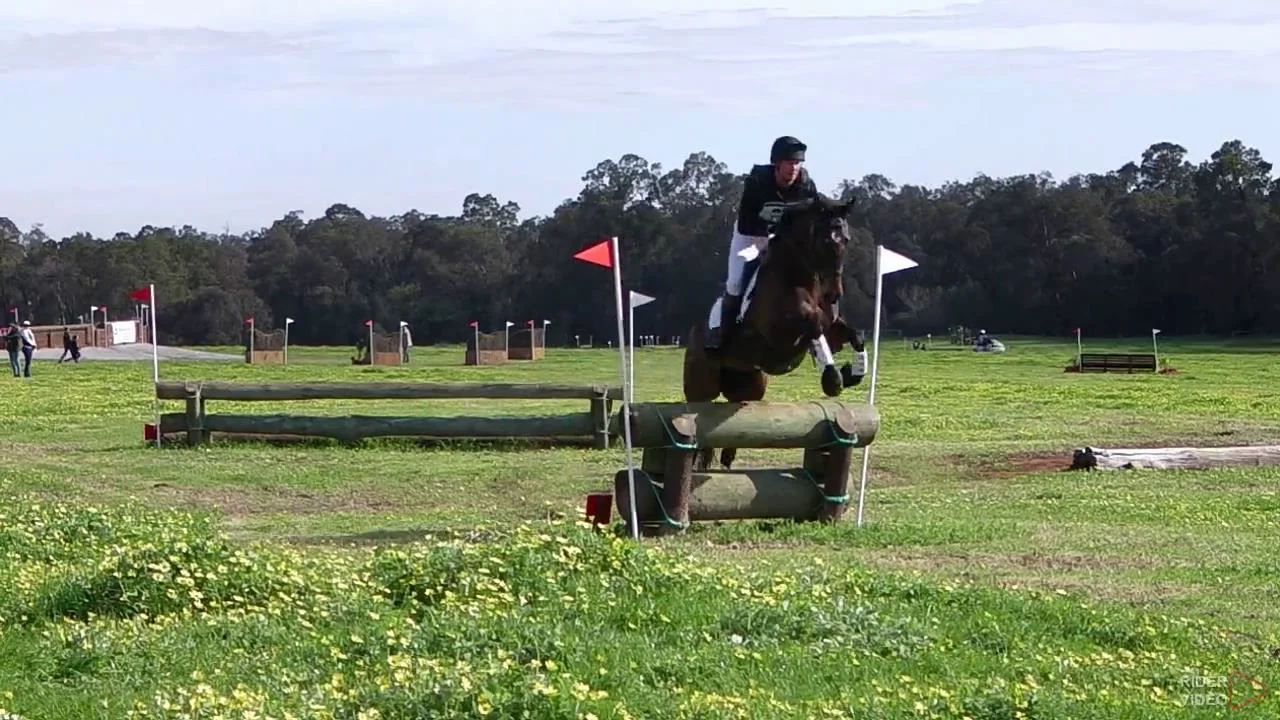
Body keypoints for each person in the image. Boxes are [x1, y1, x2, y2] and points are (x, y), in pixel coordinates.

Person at [705, 135, 822, 350]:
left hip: (782, 242)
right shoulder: (757, 182)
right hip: (749, 238)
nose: (794, 168)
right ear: (777, 163)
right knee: (735, 282)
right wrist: (770, 239)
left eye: (797, 163)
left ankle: (819, 341)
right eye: (789, 163)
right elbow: (747, 221)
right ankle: (723, 334)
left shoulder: (806, 186)